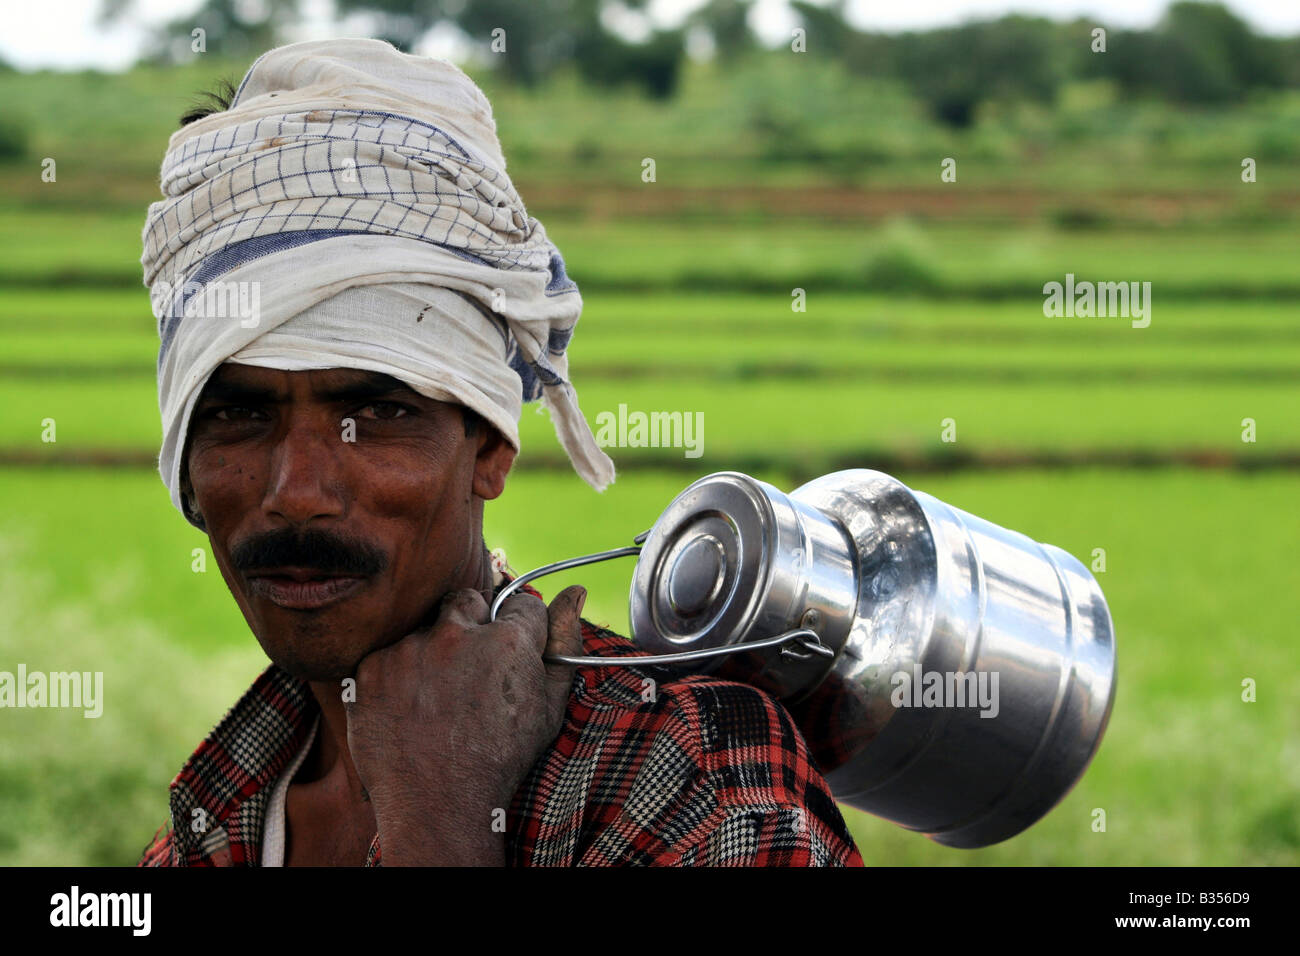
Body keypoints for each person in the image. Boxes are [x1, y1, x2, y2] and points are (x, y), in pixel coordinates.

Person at [136, 38, 862, 866]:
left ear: (489, 446)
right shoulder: (221, 815)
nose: (296, 491)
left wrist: (441, 823)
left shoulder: (695, 780)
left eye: (376, 412)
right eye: (238, 416)